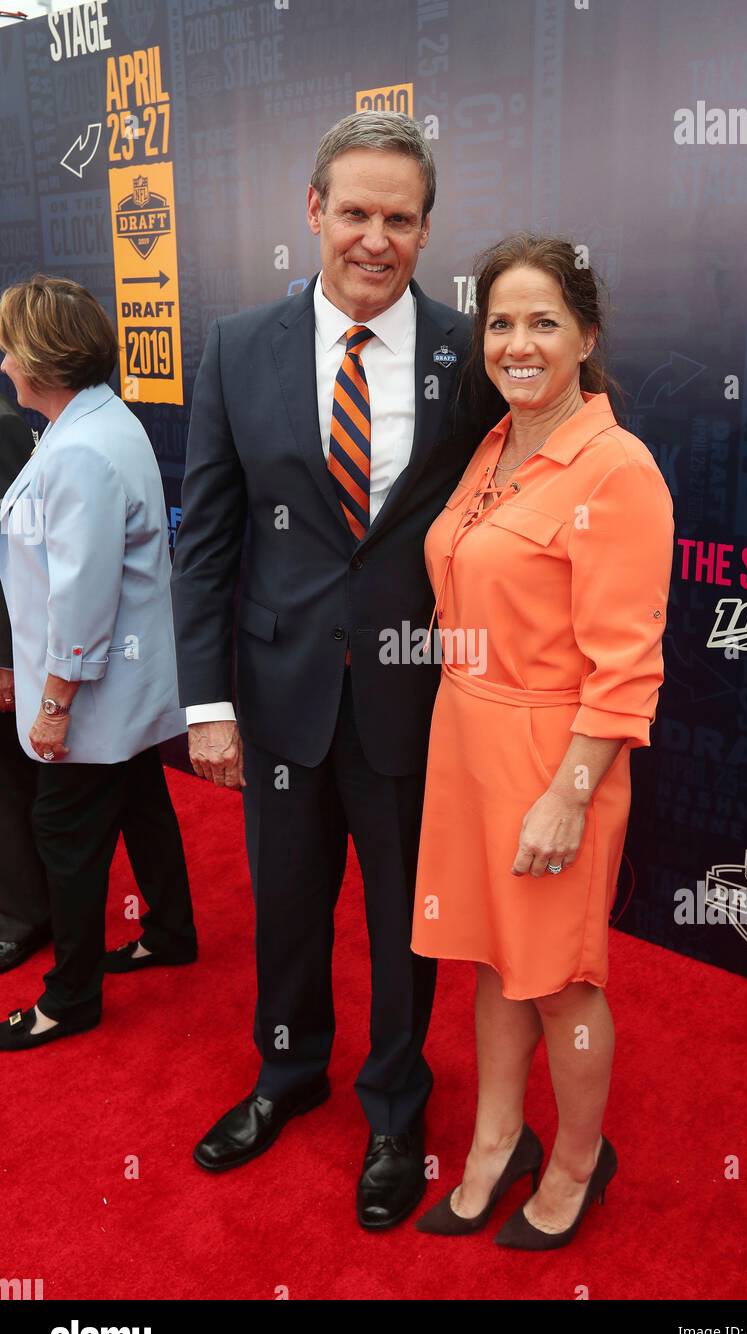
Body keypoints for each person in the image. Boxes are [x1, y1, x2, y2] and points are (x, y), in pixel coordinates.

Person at [170, 111, 504, 1230]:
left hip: (415, 695)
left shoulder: (472, 355)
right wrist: (206, 702)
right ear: (312, 210)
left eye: (398, 219)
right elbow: (207, 538)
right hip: (274, 700)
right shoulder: (235, 343)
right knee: (285, 905)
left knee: (411, 925)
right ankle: (286, 1071)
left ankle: (395, 1107)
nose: (374, 237)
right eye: (353, 211)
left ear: (424, 230)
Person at [411, 235, 674, 1249]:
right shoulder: (498, 442)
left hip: (551, 758)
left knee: (559, 973)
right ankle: (493, 1141)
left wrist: (566, 793)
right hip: (465, 740)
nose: (517, 343)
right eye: (500, 323)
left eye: (542, 322)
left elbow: (627, 668)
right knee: (490, 959)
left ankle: (575, 1159)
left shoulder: (615, 467)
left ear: (586, 335)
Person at [0, 275, 197, 1051]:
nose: (2, 359)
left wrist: (52, 703)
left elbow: (81, 597)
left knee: (63, 829)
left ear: (41, 358)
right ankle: (172, 930)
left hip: (92, 687)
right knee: (141, 799)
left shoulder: (80, 448)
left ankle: (71, 997)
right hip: (120, 679)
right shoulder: (93, 422)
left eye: (11, 343)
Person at [0, 390, 51, 972]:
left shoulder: (4, 426)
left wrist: (8, 656)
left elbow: (14, 554)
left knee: (10, 780)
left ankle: (26, 913)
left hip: (9, 642)